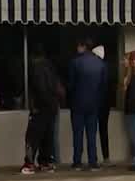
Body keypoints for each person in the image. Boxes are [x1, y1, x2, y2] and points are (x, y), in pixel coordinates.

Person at [67, 38, 106, 170]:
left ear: (83, 47)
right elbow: (103, 86)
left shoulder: (75, 63)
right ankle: (93, 162)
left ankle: (77, 161)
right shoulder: (100, 64)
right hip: (94, 104)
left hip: (77, 103)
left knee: (77, 134)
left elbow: (70, 85)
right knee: (92, 134)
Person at [21, 58, 59, 174]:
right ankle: (45, 163)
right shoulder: (52, 73)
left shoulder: (36, 72)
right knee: (47, 137)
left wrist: (35, 106)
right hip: (51, 109)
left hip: (39, 110)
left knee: (31, 138)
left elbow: (40, 90)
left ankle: (29, 164)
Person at [94, 45, 117, 166]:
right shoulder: (108, 69)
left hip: (96, 104)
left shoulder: (97, 68)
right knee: (103, 131)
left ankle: (94, 158)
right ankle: (106, 157)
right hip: (105, 105)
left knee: (92, 131)